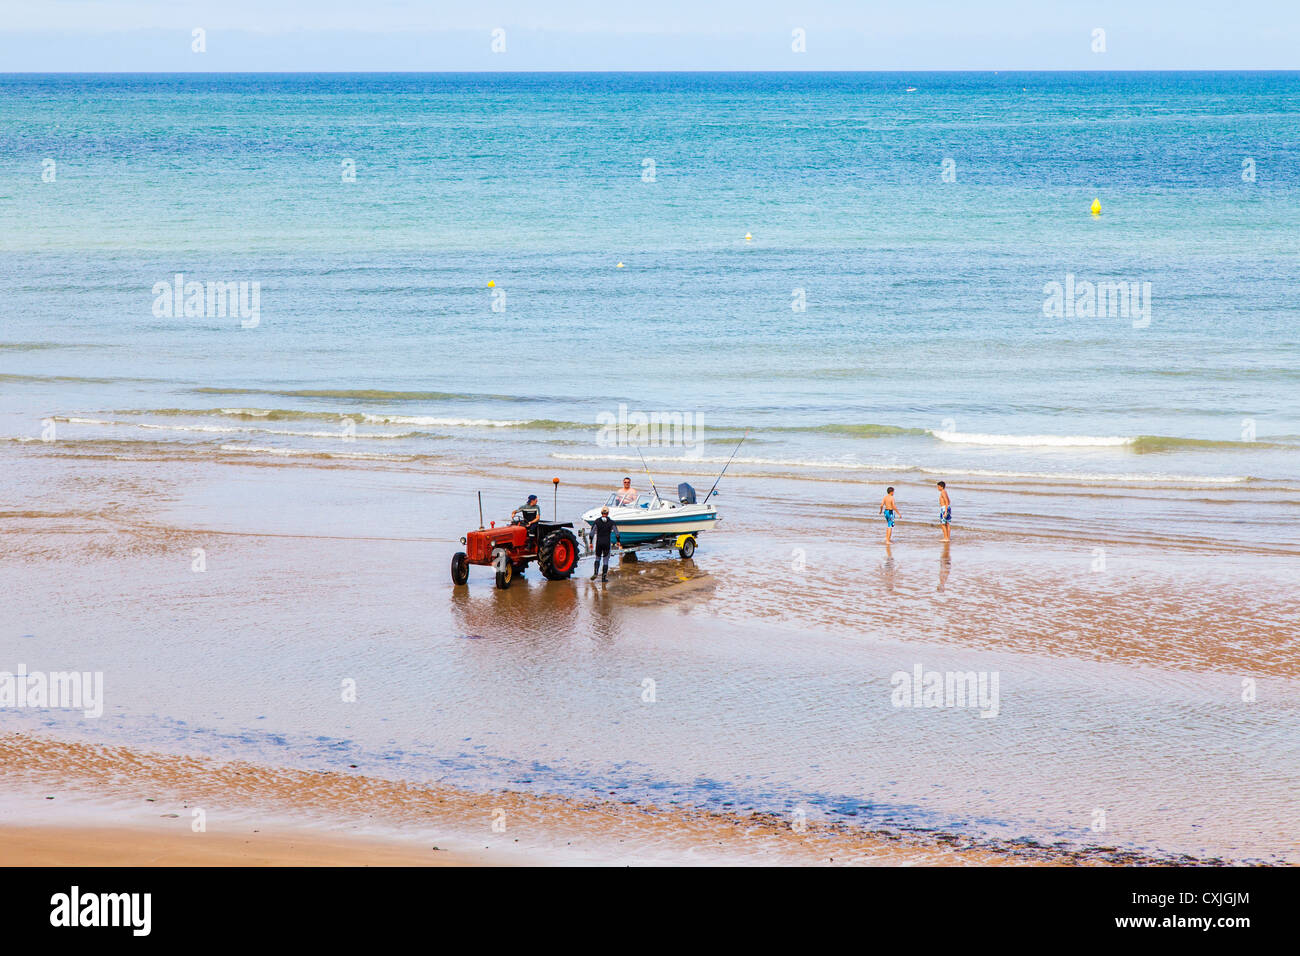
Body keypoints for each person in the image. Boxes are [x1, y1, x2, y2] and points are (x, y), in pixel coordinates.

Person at [589, 506, 621, 581]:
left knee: (597, 558)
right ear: (608, 513)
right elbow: (617, 533)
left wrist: (591, 543)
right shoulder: (611, 522)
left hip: (599, 543)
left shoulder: (597, 521)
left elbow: (591, 533)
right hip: (606, 543)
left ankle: (596, 573)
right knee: (605, 560)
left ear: (601, 513)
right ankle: (603, 578)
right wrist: (618, 541)